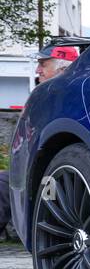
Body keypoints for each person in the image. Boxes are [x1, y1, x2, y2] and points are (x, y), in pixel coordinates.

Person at [1, 43, 79, 238]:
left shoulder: (68, 97)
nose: (37, 70)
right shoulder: (50, 97)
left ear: (63, 68)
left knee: (3, 183)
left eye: (44, 64)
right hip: (47, 170)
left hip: (65, 173)